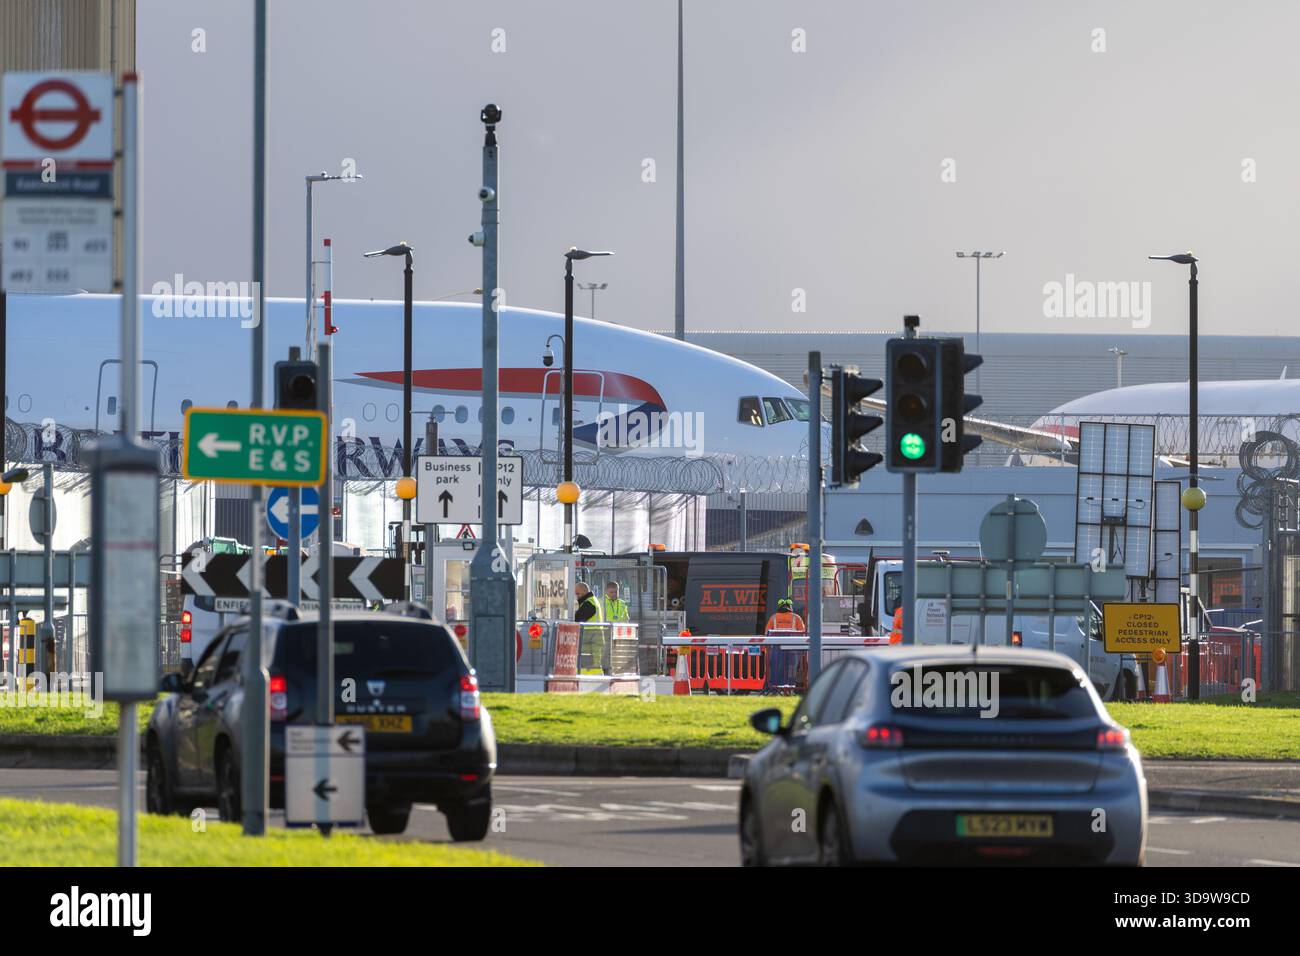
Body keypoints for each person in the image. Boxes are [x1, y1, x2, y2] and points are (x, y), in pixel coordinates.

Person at [573, 581, 605, 673]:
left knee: (589, 661)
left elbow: (578, 618)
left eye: (578, 593)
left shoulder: (589, 603)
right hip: (594, 634)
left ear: (584, 591)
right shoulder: (592, 600)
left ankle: (593, 676)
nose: (576, 596)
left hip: (590, 635)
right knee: (595, 661)